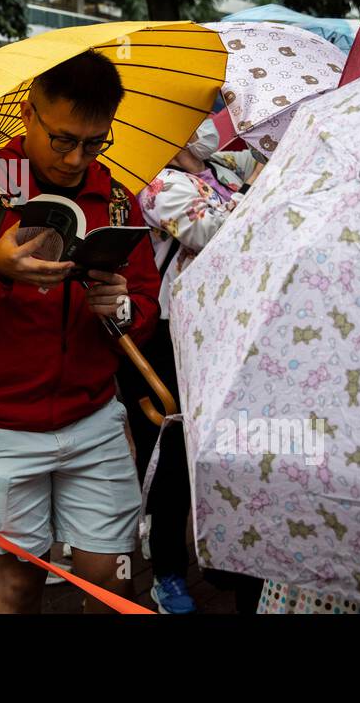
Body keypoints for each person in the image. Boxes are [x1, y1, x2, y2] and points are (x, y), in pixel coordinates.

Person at [0, 50, 161, 614]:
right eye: (63, 139)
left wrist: (119, 308)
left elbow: (145, 302)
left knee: (112, 580)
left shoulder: (114, 196)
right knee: (17, 586)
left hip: (93, 416)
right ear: (29, 115)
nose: (76, 159)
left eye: (95, 143)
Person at [116, 118, 249, 614]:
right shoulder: (156, 181)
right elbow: (218, 231)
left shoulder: (222, 171)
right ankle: (168, 572)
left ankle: (228, 555)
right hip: (168, 336)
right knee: (168, 457)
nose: (205, 124)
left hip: (222, 329)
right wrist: (256, 201)